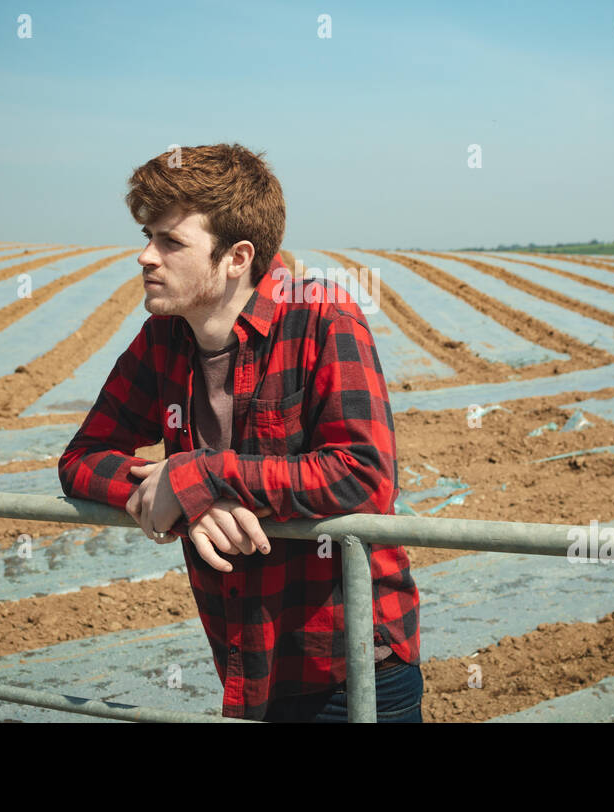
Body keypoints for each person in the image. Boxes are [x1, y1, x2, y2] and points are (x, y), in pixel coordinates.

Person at [57, 143, 422, 722]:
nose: (146, 257)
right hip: (246, 664)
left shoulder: (323, 317)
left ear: (236, 257)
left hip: (349, 668)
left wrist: (200, 473)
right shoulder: (163, 340)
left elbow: (363, 476)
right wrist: (175, 497)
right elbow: (81, 458)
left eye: (170, 241)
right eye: (147, 236)